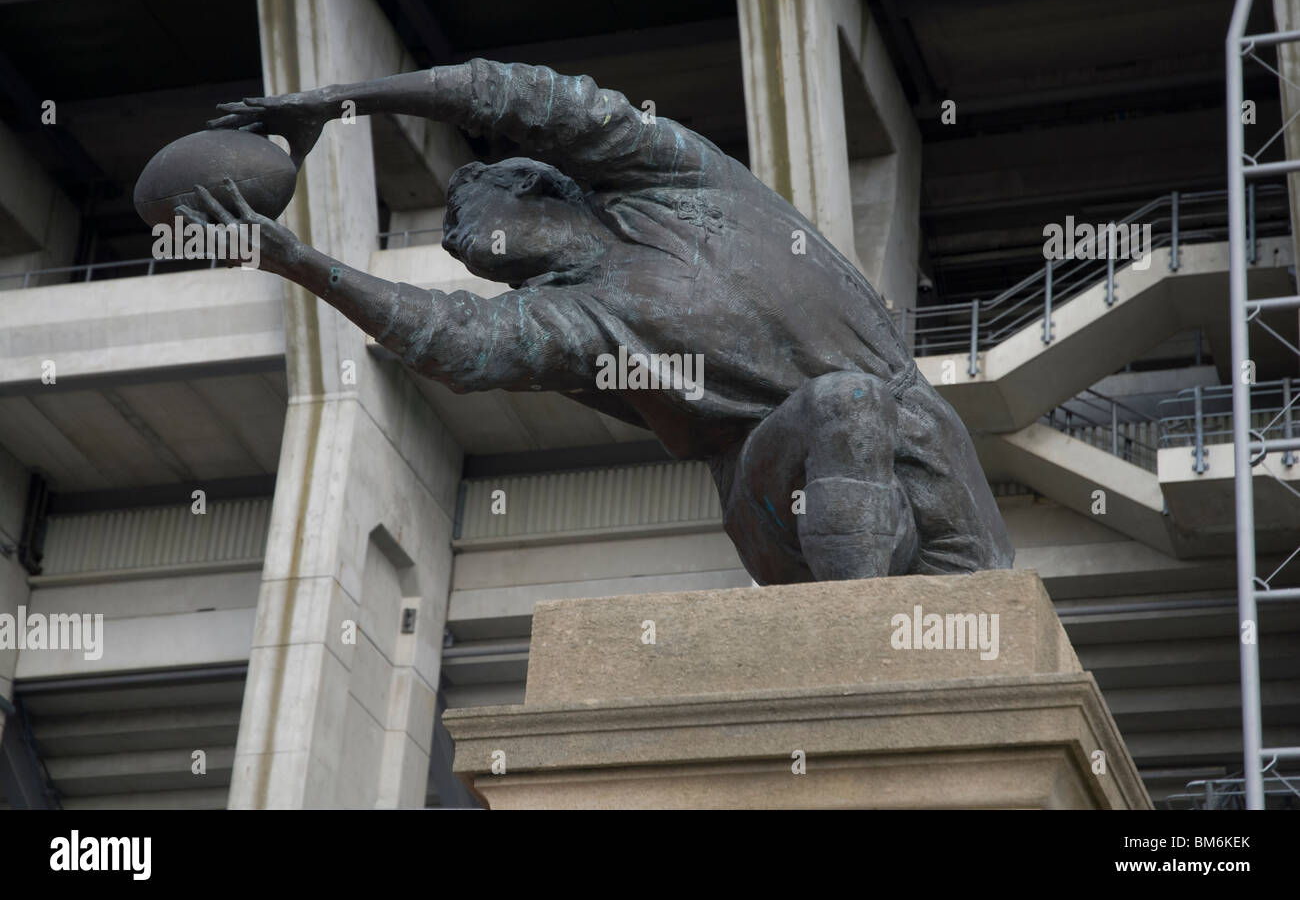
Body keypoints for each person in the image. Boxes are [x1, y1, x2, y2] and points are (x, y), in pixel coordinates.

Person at [180, 59, 1013, 584]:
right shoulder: (572, 319)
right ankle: (854, 649)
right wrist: (293, 259)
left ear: (543, 185)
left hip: (924, 448)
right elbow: (452, 340)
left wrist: (345, 97)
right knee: (845, 402)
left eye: (473, 211)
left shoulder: (683, 184)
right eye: (465, 254)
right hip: (788, 503)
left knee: (992, 614)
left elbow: (534, 96)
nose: (466, 246)